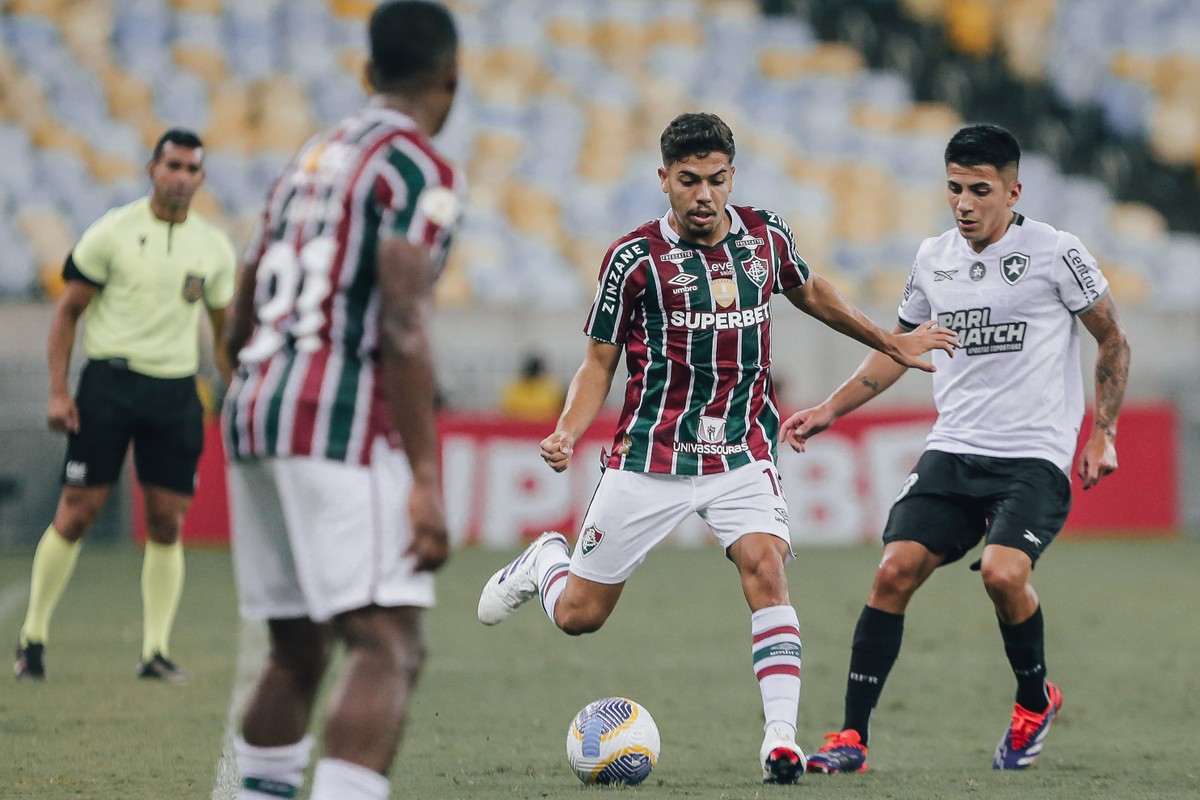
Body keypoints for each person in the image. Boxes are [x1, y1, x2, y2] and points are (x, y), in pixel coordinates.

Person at [476, 112, 958, 784]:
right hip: (650, 458)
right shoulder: (633, 259)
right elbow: (598, 361)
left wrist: (890, 341)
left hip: (740, 450)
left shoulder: (764, 237)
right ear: (664, 180)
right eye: (690, 180)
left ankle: (781, 742)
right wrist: (568, 429)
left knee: (766, 567)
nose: (704, 194)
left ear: (732, 176)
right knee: (580, 617)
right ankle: (546, 561)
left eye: (717, 179)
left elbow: (811, 291)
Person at [783, 124, 1131, 773]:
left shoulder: (1057, 251)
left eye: (979, 190)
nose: (964, 203)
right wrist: (830, 408)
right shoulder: (933, 257)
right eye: (954, 189)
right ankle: (850, 739)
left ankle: (1034, 699)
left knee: (1003, 573)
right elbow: (901, 349)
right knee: (892, 571)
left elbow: (1113, 339)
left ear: (1012, 189)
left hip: (1032, 455)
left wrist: (1103, 431)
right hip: (954, 449)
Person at [219, 3, 461, 799]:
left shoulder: (311, 156)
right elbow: (401, 317)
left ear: (367, 75)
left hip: (256, 407)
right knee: (387, 641)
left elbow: (246, 295)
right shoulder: (416, 167)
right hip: (335, 416)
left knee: (297, 647)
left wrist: (250, 385)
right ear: (450, 81)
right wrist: (425, 477)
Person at [13, 128, 236, 682]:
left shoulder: (213, 248)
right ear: (151, 169)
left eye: (191, 169)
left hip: (175, 391)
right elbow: (67, 311)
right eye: (173, 166)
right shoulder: (112, 232)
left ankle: (155, 651)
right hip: (110, 384)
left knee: (166, 520)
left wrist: (235, 395)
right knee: (78, 509)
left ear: (201, 178)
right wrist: (59, 390)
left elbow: (223, 329)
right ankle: (32, 639)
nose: (181, 177)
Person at [498, 354, 565, 420]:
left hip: (544, 426)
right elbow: (507, 410)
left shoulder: (551, 386)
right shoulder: (513, 387)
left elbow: (557, 410)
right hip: (519, 425)